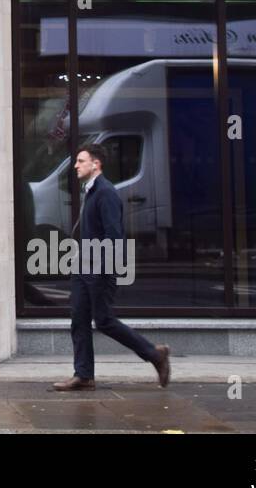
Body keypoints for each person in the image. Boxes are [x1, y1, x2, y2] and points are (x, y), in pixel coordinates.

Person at [53, 143, 171, 392]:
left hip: (98, 270)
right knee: (79, 320)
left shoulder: (106, 192)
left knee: (104, 320)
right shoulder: (92, 191)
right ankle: (84, 376)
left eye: (80, 161)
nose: (75, 165)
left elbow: (114, 235)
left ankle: (155, 355)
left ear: (96, 164)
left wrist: (102, 269)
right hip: (84, 268)